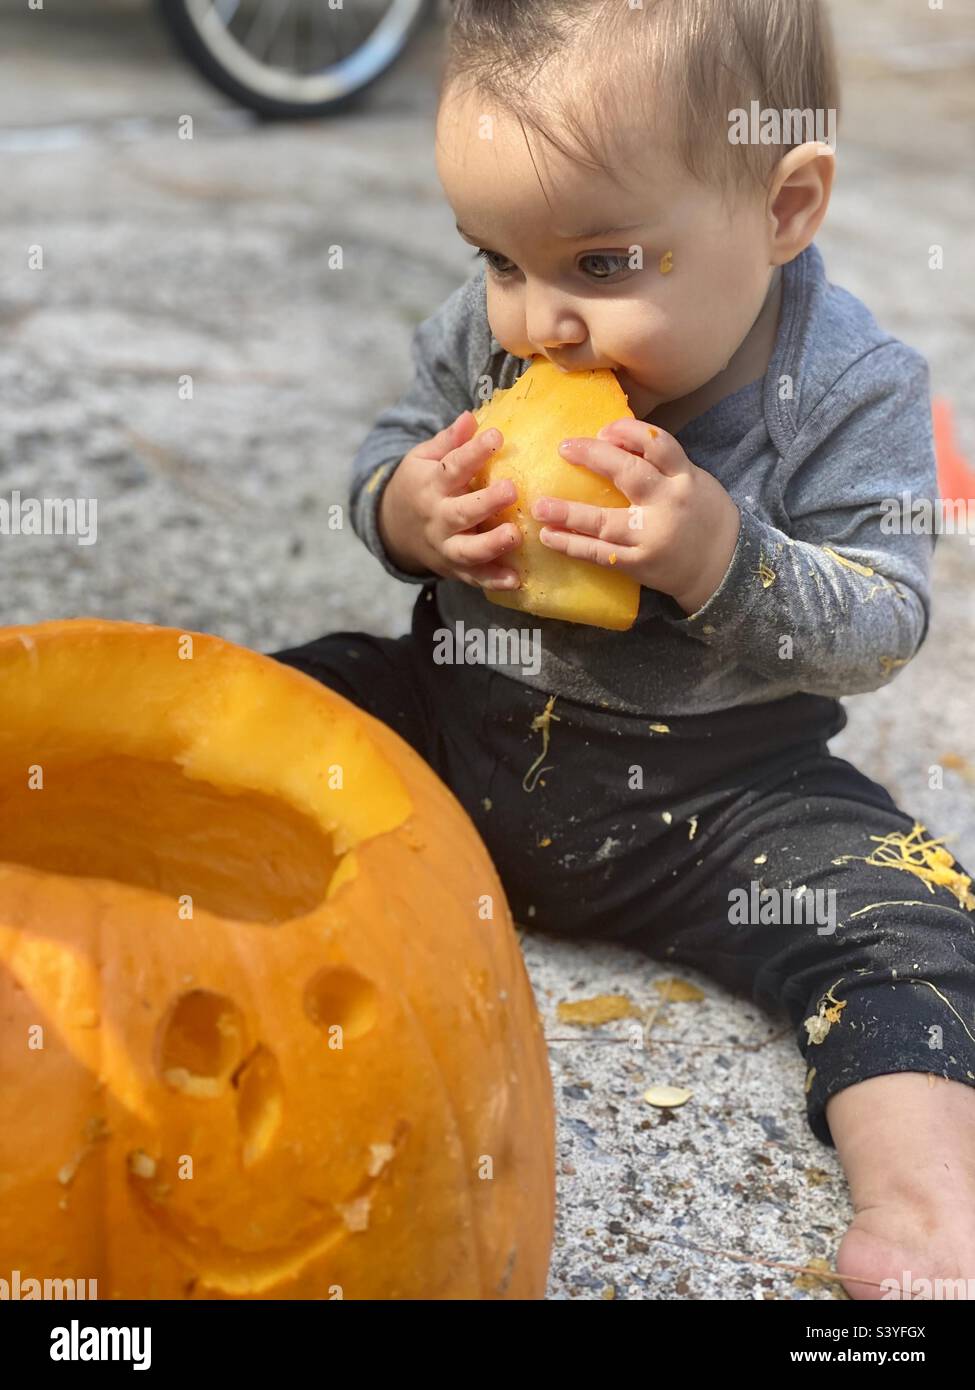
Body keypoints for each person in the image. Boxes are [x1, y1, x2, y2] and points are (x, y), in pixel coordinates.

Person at [273, 0, 975, 1300]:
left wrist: (723, 555)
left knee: (911, 917)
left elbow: (885, 619)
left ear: (784, 207)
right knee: (281, 699)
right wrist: (407, 511)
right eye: (496, 255)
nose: (536, 323)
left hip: (717, 804)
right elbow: (382, 451)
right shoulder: (489, 334)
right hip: (459, 737)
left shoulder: (850, 387)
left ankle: (930, 1214)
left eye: (600, 266)